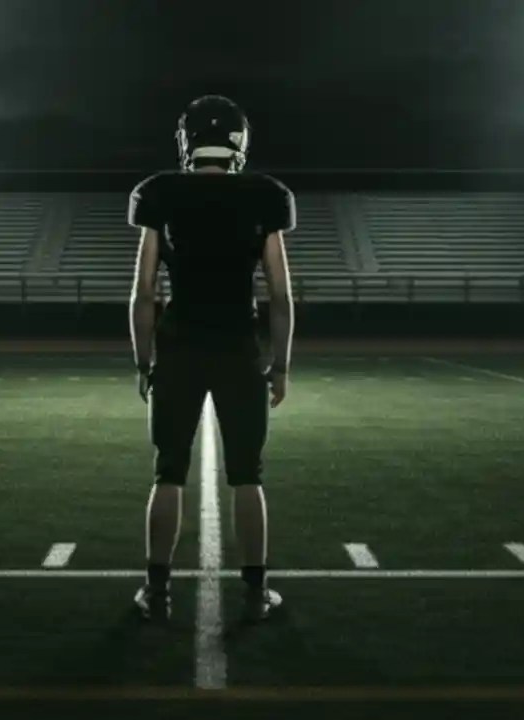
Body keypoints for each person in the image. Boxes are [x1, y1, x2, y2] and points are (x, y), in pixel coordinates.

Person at [126, 95, 296, 623]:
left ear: (187, 142)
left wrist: (142, 359)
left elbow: (144, 291)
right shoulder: (264, 195)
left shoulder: (161, 192)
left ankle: (157, 592)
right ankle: (254, 592)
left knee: (168, 473)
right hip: (237, 348)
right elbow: (280, 293)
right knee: (248, 474)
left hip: (178, 346)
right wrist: (282, 364)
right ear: (240, 143)